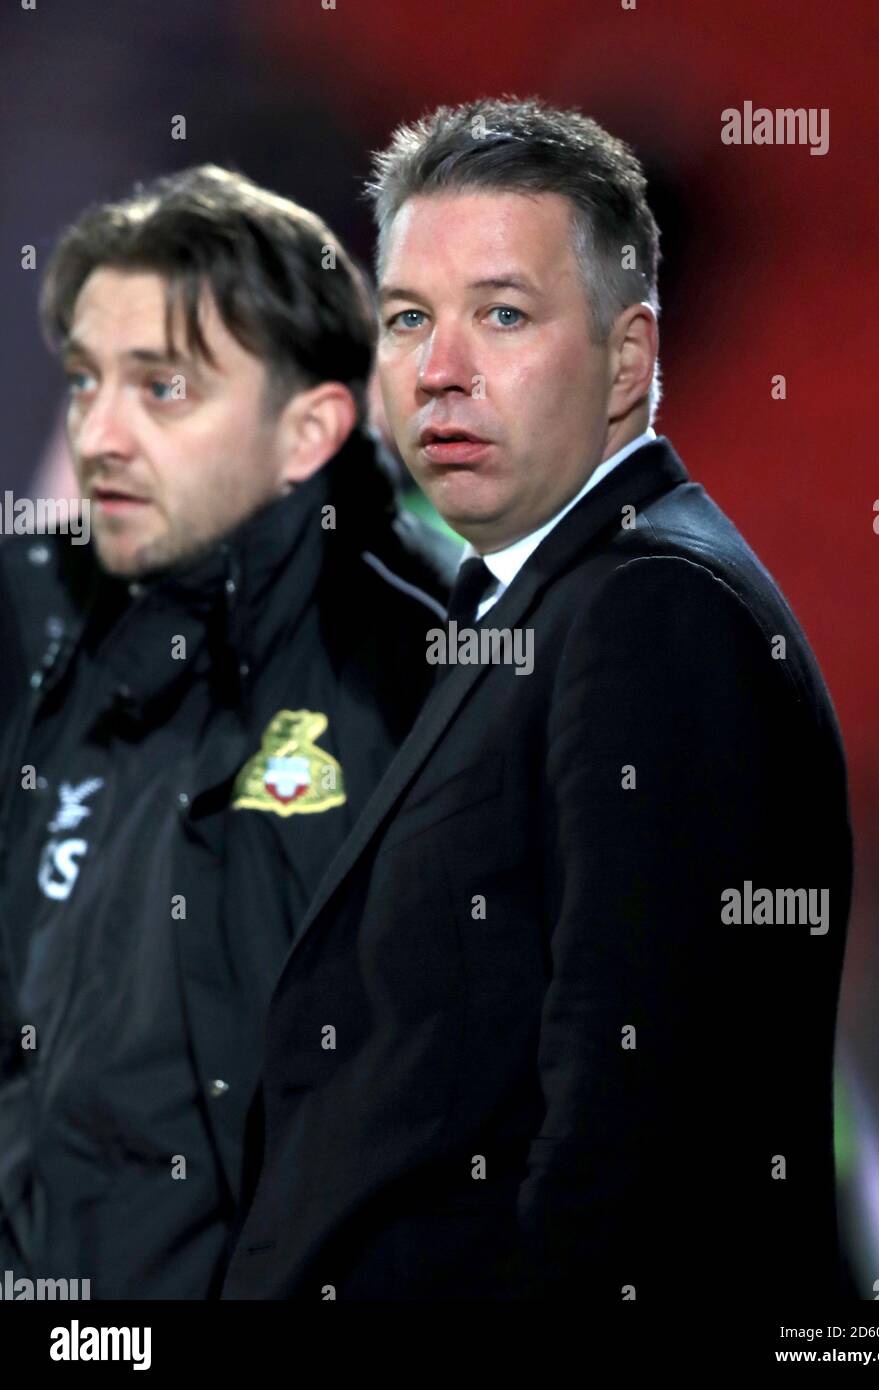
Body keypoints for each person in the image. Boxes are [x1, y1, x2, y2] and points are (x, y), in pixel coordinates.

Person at [221, 99, 853, 1301]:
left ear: (629, 361)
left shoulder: (650, 609)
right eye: (409, 318)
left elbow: (636, 1144)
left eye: (502, 315)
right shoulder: (537, 609)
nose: (440, 371)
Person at [0, 164, 456, 1299]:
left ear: (309, 430)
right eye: (85, 382)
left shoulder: (422, 692)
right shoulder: (63, 656)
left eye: (162, 390)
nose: (99, 432)